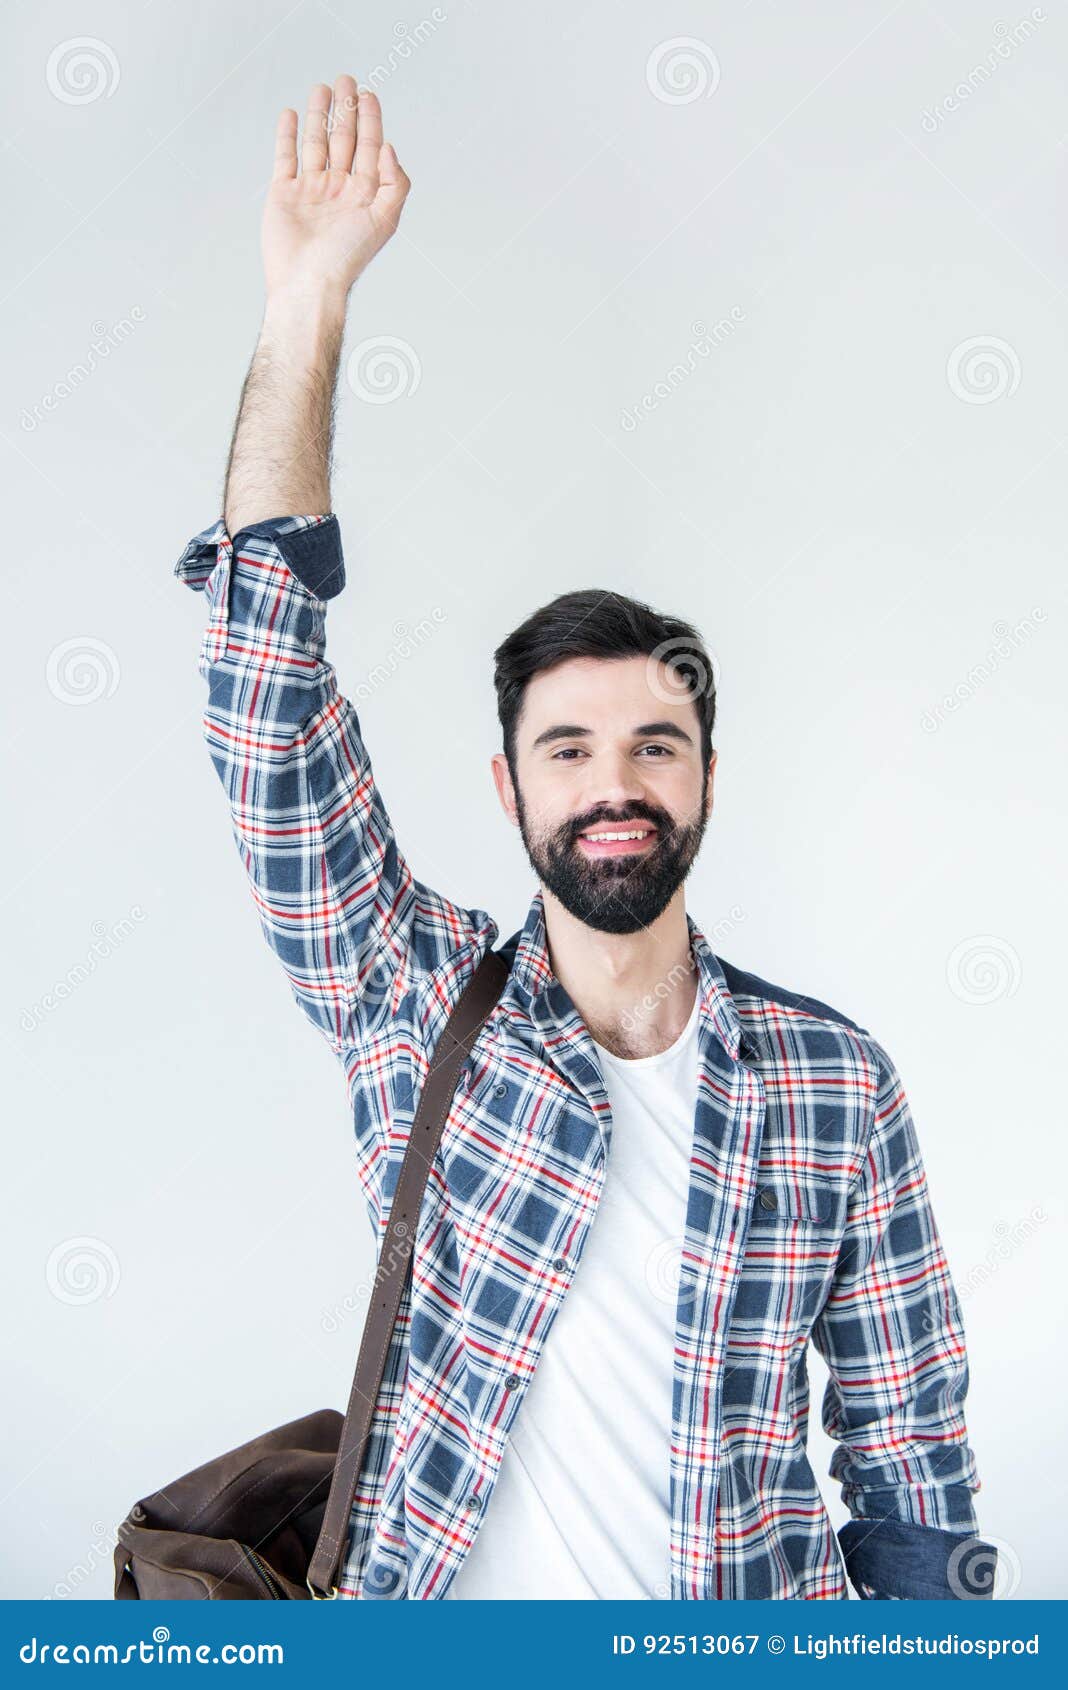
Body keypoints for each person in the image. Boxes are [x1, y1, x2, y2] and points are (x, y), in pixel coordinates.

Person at [174, 75, 995, 1601]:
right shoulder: (413, 1005)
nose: (612, 783)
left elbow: (910, 1458)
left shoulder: (837, 1084)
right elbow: (264, 701)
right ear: (510, 791)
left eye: (651, 746)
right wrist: (306, 309)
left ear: (706, 778)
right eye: (567, 749)